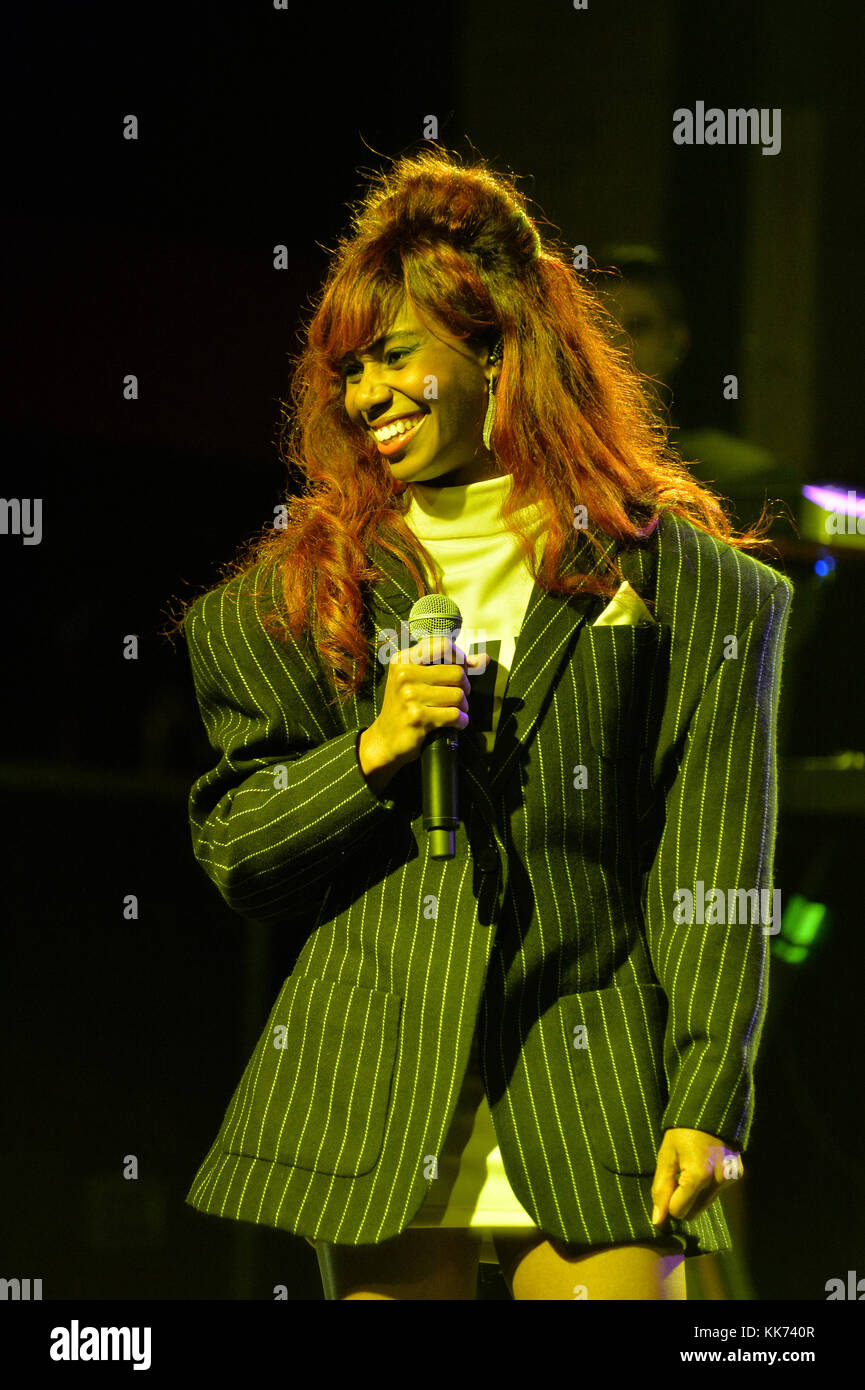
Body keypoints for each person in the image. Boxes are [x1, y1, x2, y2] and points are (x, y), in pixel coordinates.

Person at [174, 147, 793, 1300]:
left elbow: (714, 869)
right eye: (350, 370)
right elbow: (233, 848)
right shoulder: (301, 593)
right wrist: (370, 754)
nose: (368, 397)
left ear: (499, 347)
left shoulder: (685, 588)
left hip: (598, 1069)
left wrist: (709, 1098)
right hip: (379, 1078)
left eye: (396, 356)